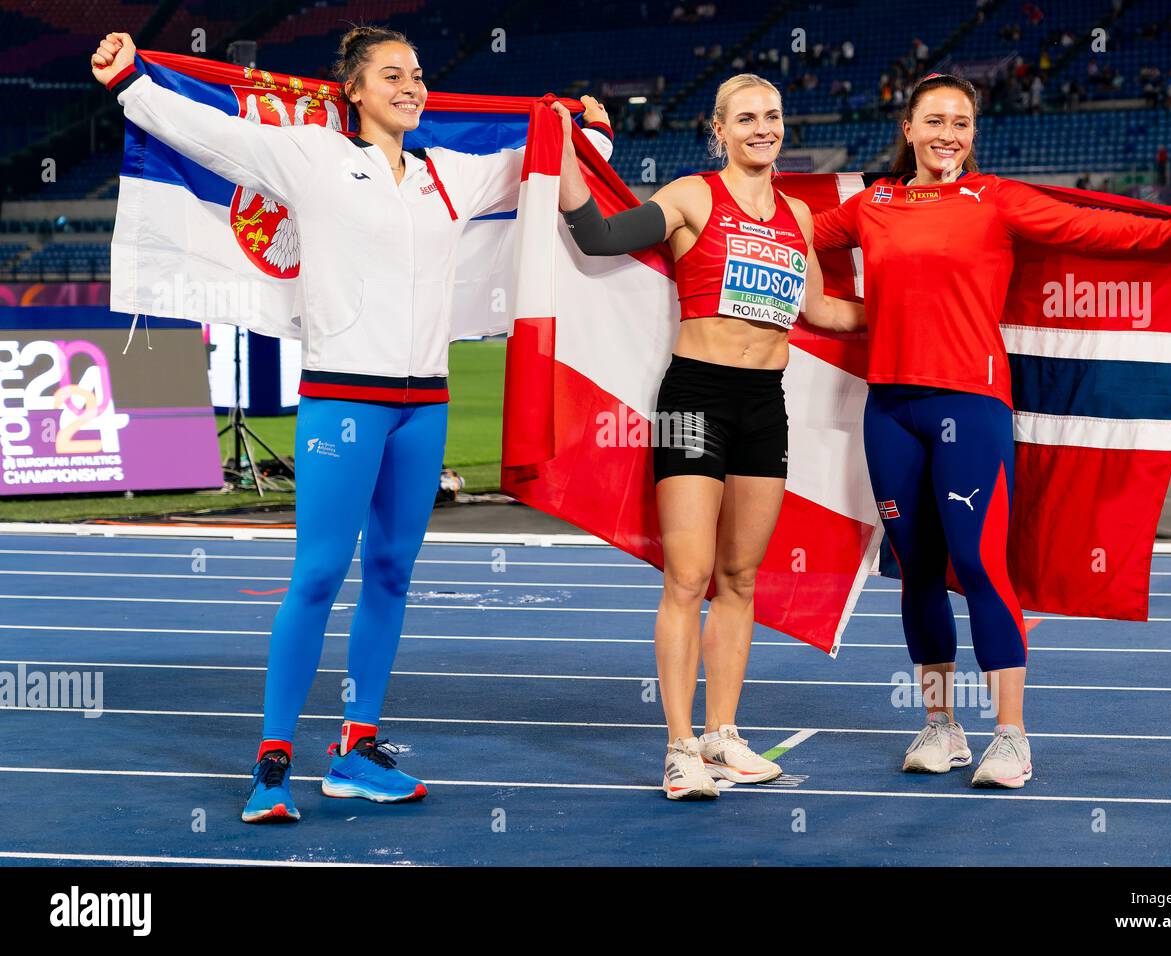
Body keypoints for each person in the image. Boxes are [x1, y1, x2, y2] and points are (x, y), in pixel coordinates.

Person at [91, 27, 614, 822]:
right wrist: (132, 82)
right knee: (318, 575)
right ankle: (272, 761)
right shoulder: (313, 156)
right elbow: (215, 135)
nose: (411, 85)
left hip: (423, 407)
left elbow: (535, 167)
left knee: (394, 574)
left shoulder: (447, 176)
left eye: (418, 74)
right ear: (356, 92)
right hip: (343, 399)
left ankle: (354, 749)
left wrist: (584, 127)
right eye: (392, 74)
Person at [812, 72, 1171, 788]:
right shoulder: (872, 204)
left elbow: (1088, 226)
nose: (947, 134)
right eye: (933, 121)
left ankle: (1011, 736)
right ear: (907, 129)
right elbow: (786, 233)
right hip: (890, 411)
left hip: (971, 407)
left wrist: (1170, 231)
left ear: (973, 133)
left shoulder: (995, 198)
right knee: (915, 575)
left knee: (980, 565)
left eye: (961, 122)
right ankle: (941, 725)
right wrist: (827, 302)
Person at [553, 73, 861, 800]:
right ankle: (680, 746)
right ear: (717, 129)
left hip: (765, 403)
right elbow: (598, 237)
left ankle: (723, 735)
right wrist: (560, 142)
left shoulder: (796, 215)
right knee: (687, 577)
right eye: (747, 117)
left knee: (741, 579)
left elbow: (821, 309)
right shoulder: (694, 195)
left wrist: (909, 309)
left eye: (774, 116)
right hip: (695, 396)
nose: (764, 128)